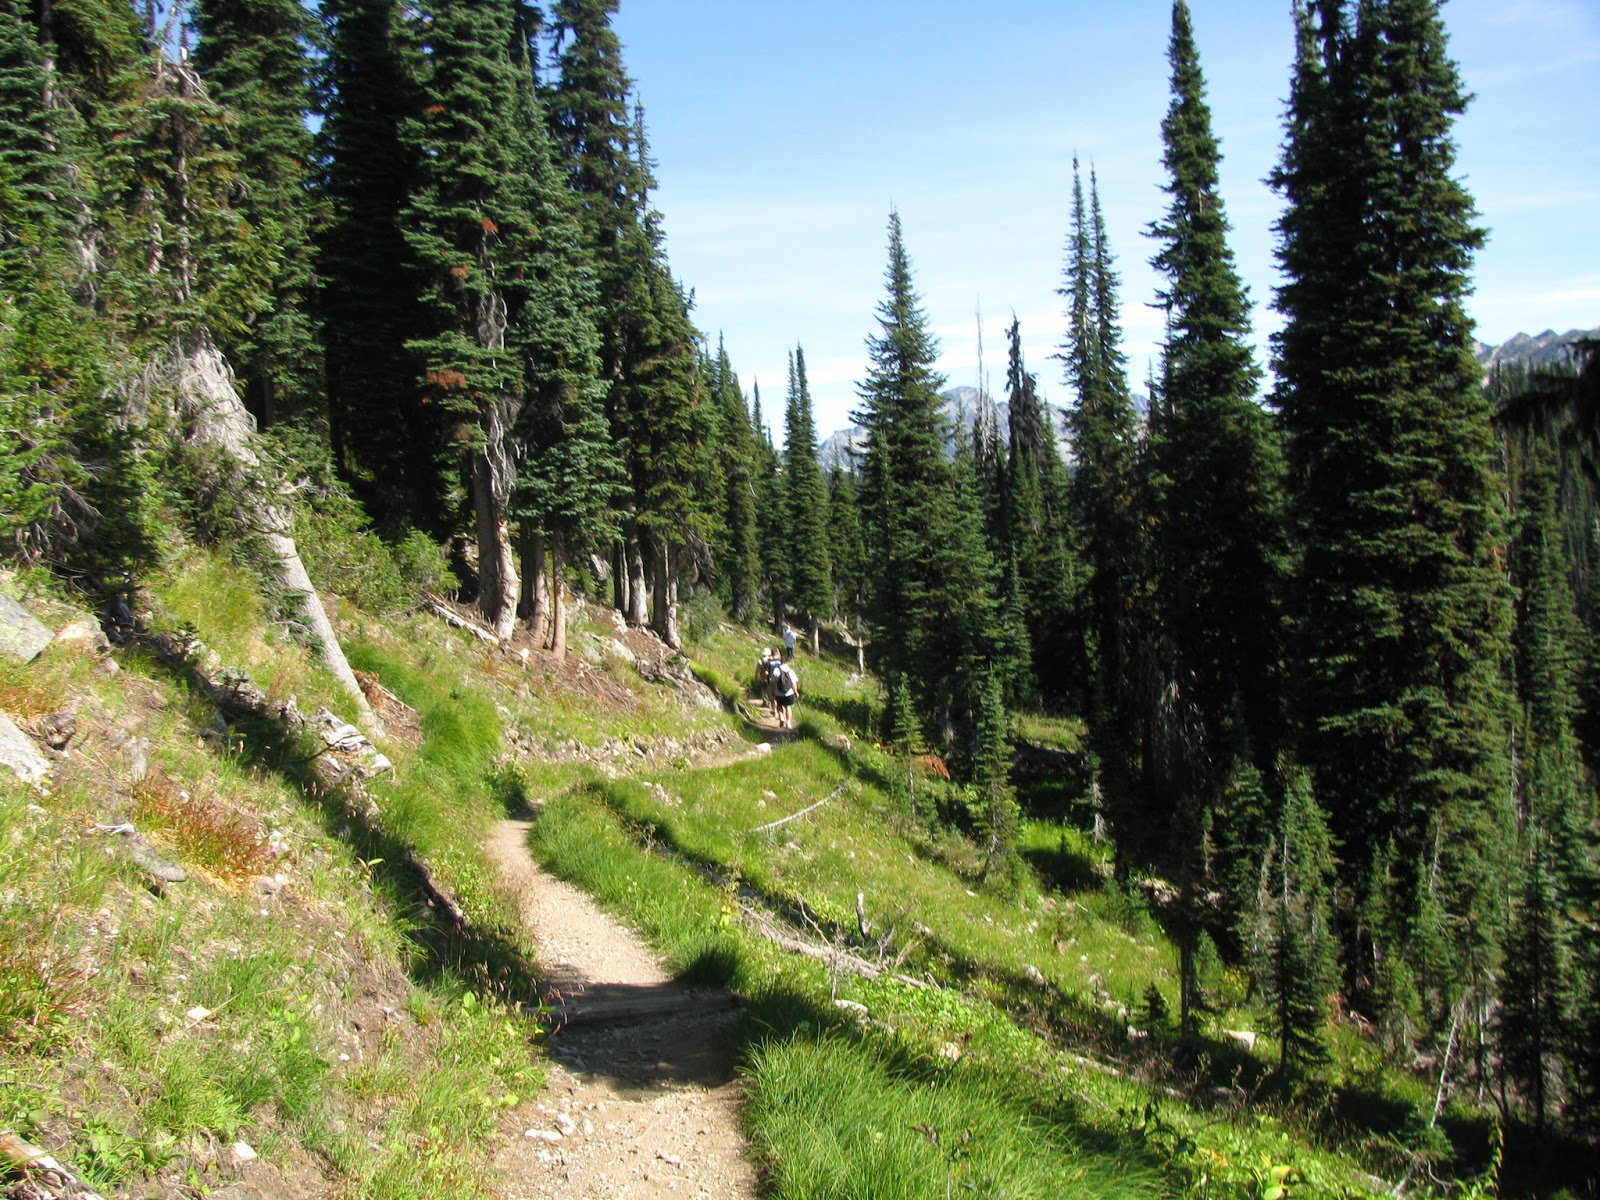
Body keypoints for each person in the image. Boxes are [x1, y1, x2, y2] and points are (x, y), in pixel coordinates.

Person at [773, 658, 799, 729]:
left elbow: (773, 682)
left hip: (778, 692)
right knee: (788, 707)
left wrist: (773, 691)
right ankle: (788, 723)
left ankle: (781, 716)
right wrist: (796, 691)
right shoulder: (791, 671)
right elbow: (794, 683)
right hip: (789, 693)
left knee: (779, 705)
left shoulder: (776, 670)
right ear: (787, 662)